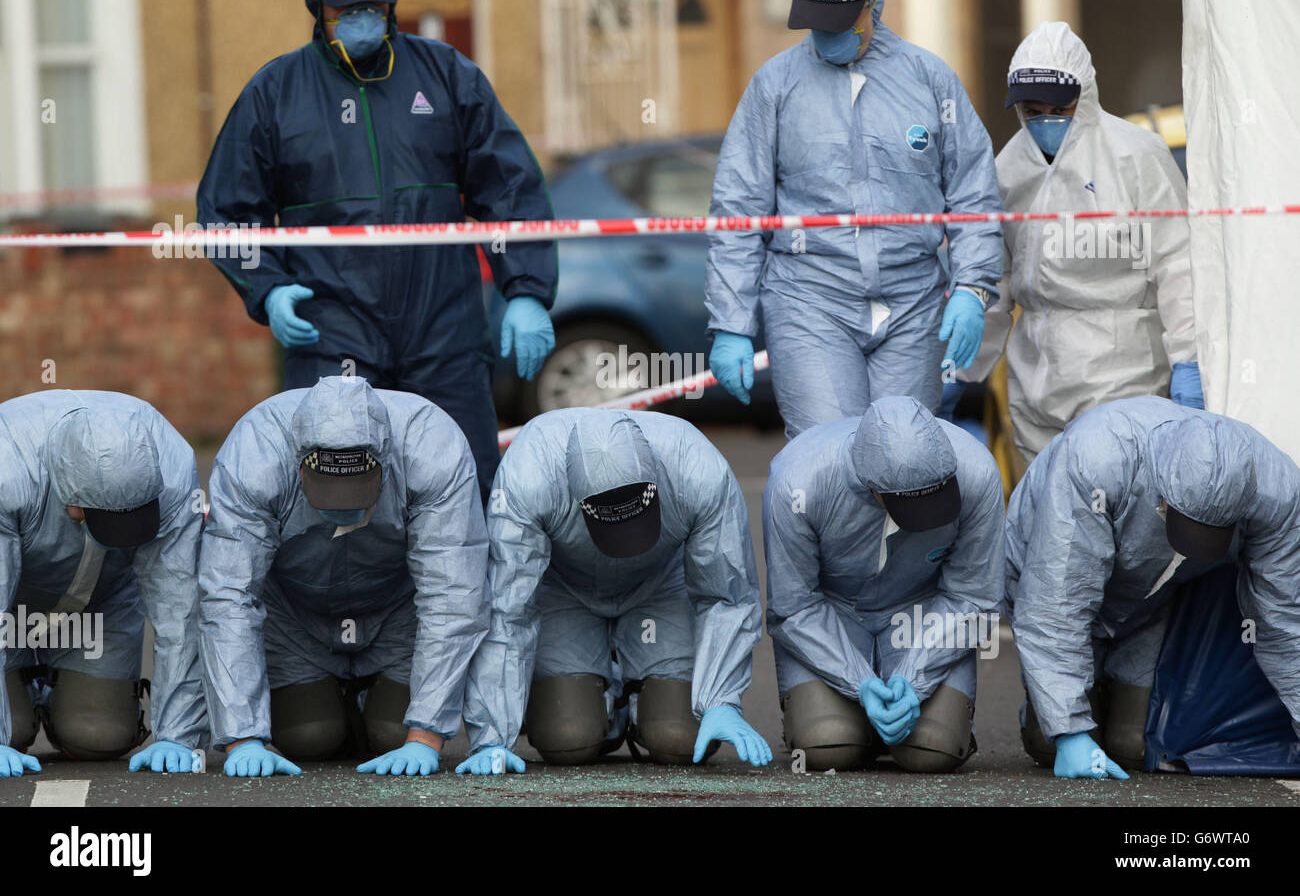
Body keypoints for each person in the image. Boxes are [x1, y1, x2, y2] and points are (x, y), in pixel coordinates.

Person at [198, 0, 558, 503]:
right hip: (331, 341)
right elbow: (225, 213)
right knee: (338, 512)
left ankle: (470, 598)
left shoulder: (447, 77)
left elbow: (508, 186)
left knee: (465, 496)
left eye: (375, 5)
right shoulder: (276, 94)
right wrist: (266, 291)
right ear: (319, 6)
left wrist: (527, 288)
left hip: (446, 339)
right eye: (349, 8)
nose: (365, 18)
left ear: (392, 3)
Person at [705, 0, 1003, 438]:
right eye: (816, 22)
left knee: (906, 458)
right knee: (828, 457)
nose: (827, 34)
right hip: (809, 302)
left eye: (840, 20)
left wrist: (972, 288)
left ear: (876, 1)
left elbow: (973, 195)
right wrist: (731, 322)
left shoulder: (930, 81)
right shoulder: (774, 88)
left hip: (913, 307)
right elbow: (738, 210)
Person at [198, 376, 488, 777]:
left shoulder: (431, 445)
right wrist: (242, 739)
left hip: (396, 614)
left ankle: (373, 703)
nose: (343, 506)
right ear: (299, 468)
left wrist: (425, 737)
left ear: (384, 463)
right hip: (296, 619)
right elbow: (230, 594)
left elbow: (453, 594)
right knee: (310, 736)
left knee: (392, 734)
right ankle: (341, 704)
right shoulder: (256, 452)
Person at [458, 408, 770, 773]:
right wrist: (491, 736)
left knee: (678, 738)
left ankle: (640, 702)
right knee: (568, 737)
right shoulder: (529, 474)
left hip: (658, 586)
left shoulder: (698, 469)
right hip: (565, 588)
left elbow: (726, 595)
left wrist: (720, 698)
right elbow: (508, 607)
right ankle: (605, 697)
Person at [1005, 397, 1300, 779]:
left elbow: (1285, 619)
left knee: (1132, 745)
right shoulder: (1098, 459)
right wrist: (1068, 731)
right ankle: (1058, 698)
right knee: (1049, 740)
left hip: (1151, 606)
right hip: (1053, 578)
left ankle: (1104, 687)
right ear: (1163, 492)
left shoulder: (1277, 491)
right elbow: (1056, 601)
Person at [964, 22, 1202, 463]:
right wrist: (965, 361)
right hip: (1037, 383)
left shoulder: (1135, 154)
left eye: (1056, 107)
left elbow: (1178, 263)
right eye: (1031, 111)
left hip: (1125, 376)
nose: (1043, 120)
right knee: (1049, 519)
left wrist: (1188, 357)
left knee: (1120, 502)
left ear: (1085, 95)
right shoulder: (1010, 169)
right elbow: (997, 276)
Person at [763, 396, 1004, 773]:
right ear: (869, 485)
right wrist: (857, 682)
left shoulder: (979, 473)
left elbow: (973, 596)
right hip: (832, 611)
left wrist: (915, 675)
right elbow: (794, 606)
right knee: (828, 743)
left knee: (933, 749)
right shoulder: (796, 481)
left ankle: (883, 717)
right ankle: (848, 719)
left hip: (921, 610)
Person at [0, 391, 207, 778]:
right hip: (14, 605)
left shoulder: (170, 465)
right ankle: (22, 685)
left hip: (103, 599)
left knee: (98, 736)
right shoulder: (7, 469)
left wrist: (179, 733)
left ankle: (59, 691)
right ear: (69, 497)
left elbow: (179, 607)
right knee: (12, 731)